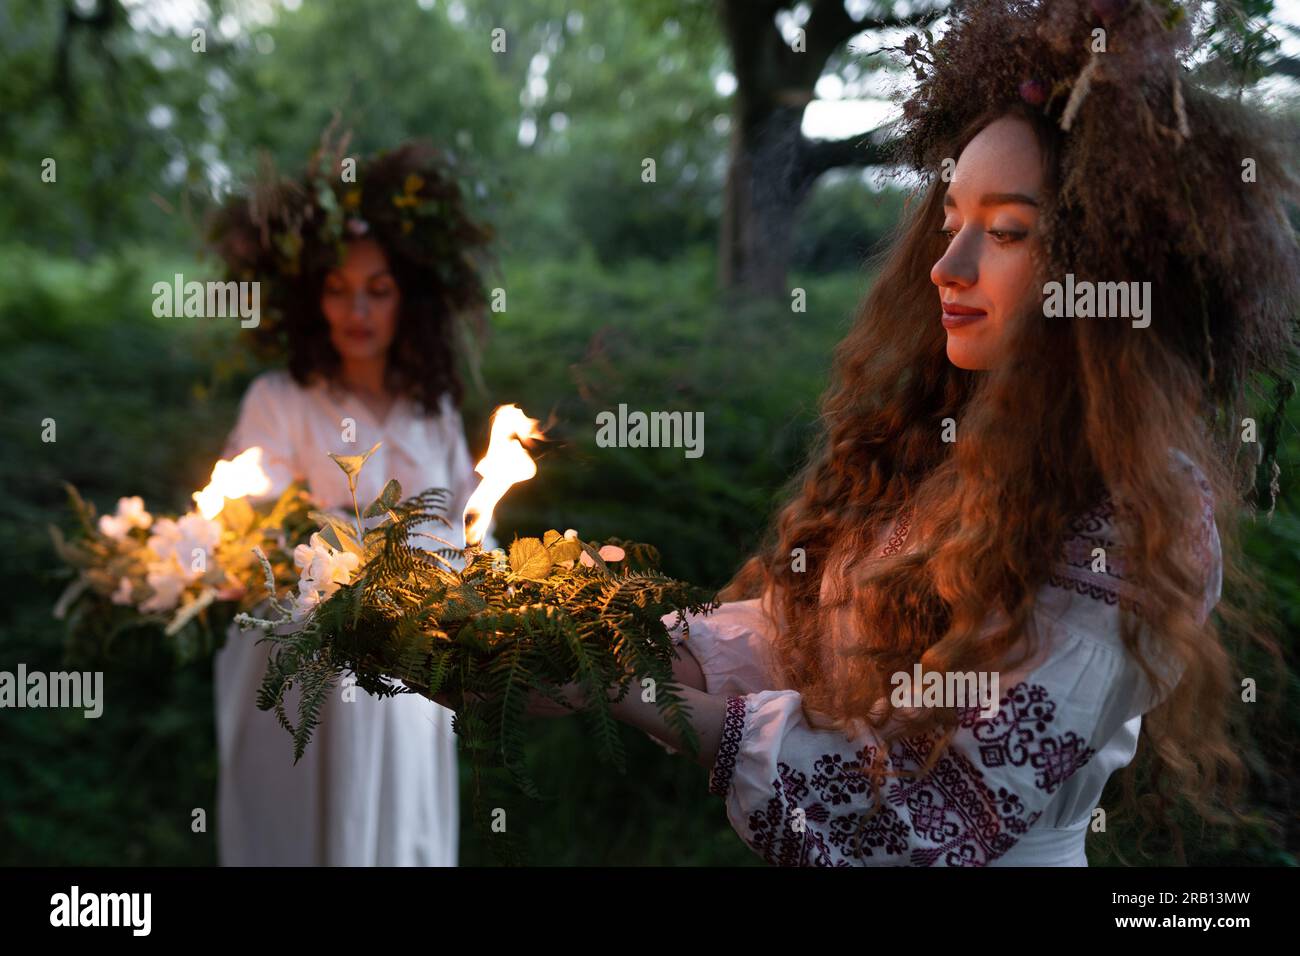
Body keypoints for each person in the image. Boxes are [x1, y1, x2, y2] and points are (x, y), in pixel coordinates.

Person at [497, 0, 1300, 866]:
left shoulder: (1138, 515)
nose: (946, 265)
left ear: (1104, 272)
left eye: (1005, 231)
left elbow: (923, 813)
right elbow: (791, 642)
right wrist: (589, 632)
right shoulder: (932, 446)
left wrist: (626, 687)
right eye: (951, 220)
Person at [209, 138, 497, 865]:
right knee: (301, 833)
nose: (357, 309)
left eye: (378, 288)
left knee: (396, 836)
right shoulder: (281, 401)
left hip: (406, 667)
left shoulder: (432, 410)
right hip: (301, 668)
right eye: (338, 289)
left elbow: (469, 526)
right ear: (314, 299)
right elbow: (256, 523)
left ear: (409, 297)